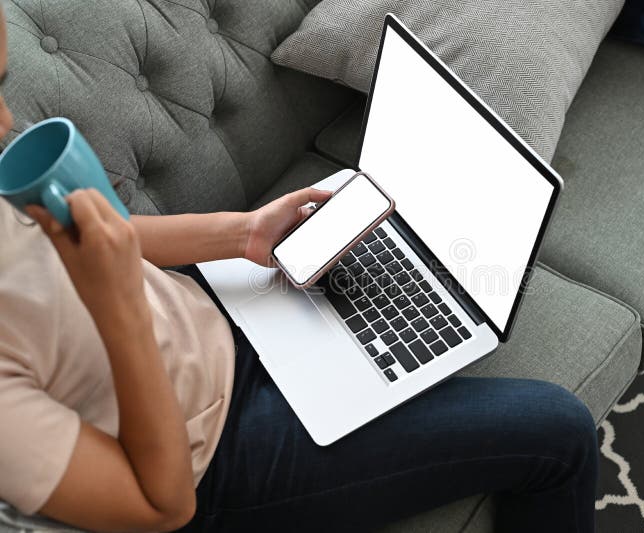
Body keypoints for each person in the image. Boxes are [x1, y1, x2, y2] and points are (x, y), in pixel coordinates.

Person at [0, 8, 598, 533]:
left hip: (216, 310)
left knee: (412, 254)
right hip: (215, 455)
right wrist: (119, 304)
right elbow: (162, 506)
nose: (7, 124)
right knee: (559, 432)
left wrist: (242, 232)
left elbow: (101, 239)